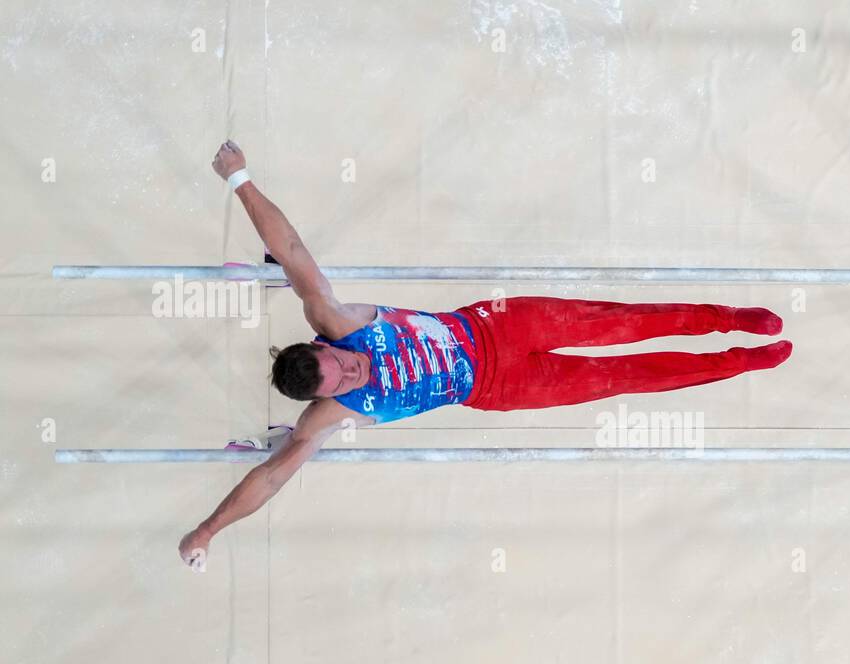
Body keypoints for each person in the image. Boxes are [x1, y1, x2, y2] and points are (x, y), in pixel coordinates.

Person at [179, 141, 793, 569]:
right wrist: (209, 529)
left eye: (340, 361)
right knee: (623, 377)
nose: (351, 371)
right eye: (339, 381)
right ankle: (737, 361)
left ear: (321, 343)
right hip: (497, 389)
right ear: (321, 398)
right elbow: (272, 475)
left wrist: (240, 179)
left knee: (621, 324)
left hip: (496, 326)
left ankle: (727, 320)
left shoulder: (335, 319)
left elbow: (289, 247)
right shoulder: (325, 417)